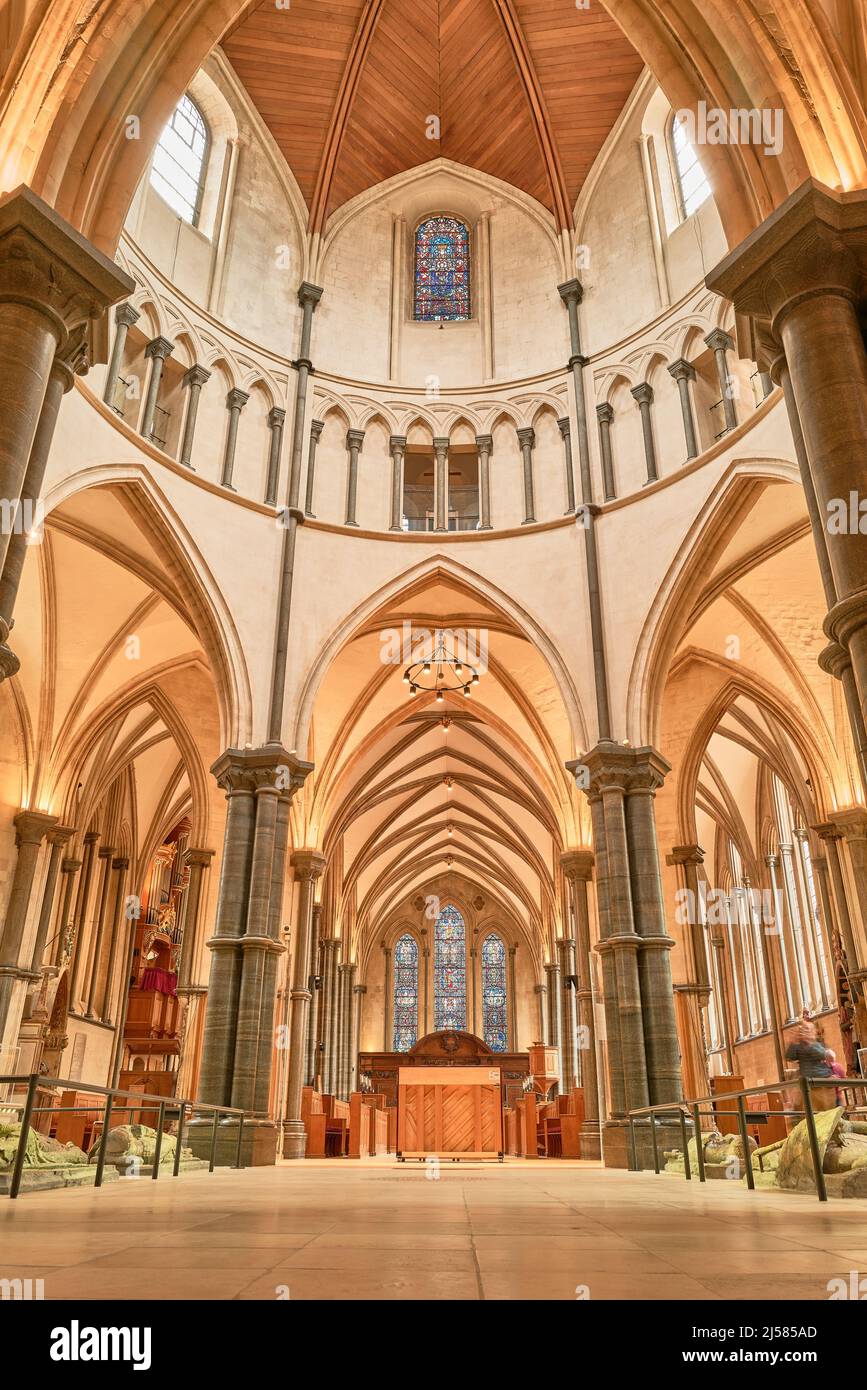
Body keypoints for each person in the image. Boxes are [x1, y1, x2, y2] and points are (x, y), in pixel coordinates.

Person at [786, 1019, 836, 1112]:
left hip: (822, 1085)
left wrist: (810, 1042)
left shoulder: (818, 1044)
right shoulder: (798, 1045)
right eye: (803, 1029)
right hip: (808, 1086)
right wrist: (792, 1042)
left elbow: (823, 1055)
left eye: (807, 1029)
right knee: (810, 1114)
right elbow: (789, 1056)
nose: (805, 1031)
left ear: (814, 1032)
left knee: (825, 1114)